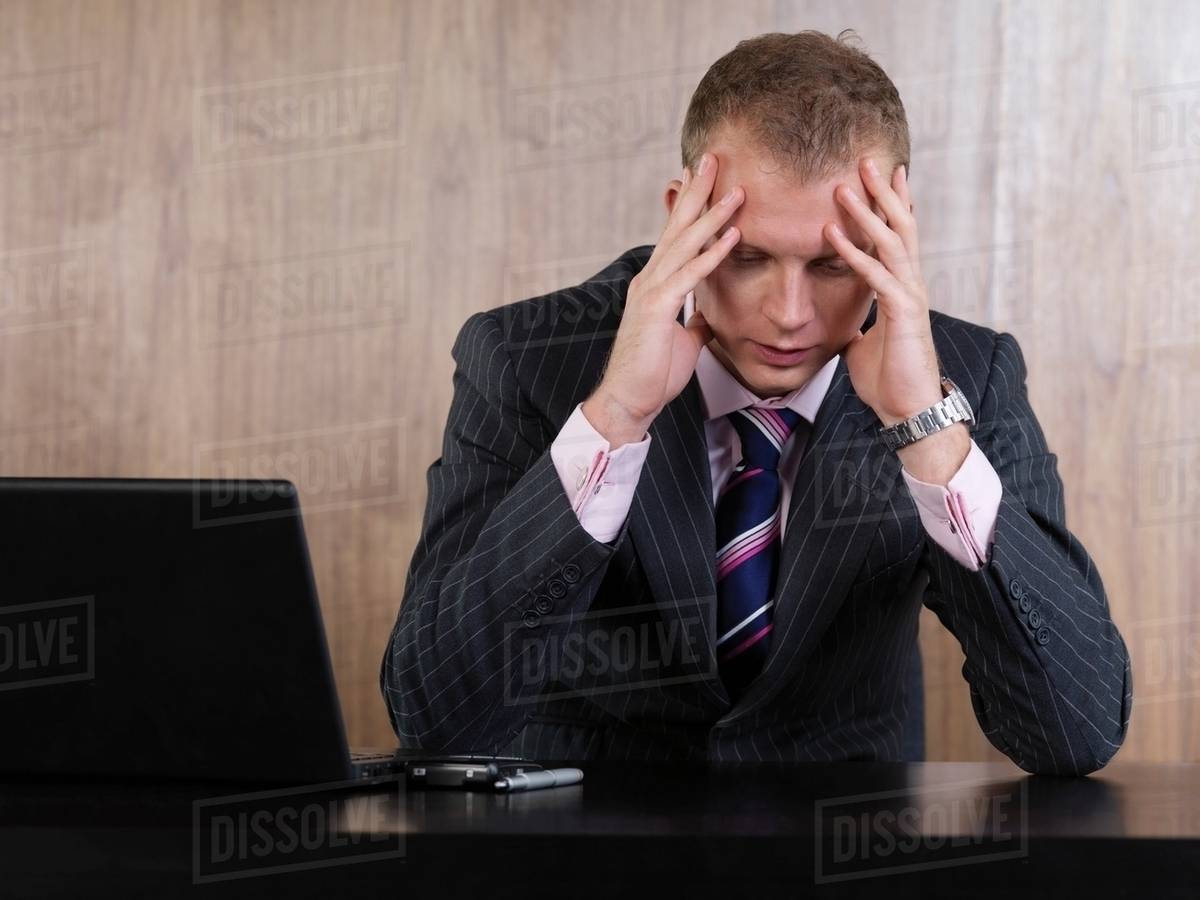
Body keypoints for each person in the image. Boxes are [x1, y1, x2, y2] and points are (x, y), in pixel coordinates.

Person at [380, 29, 1131, 773]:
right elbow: (435, 718)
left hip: (846, 855)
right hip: (587, 851)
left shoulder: (971, 375)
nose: (789, 313)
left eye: (835, 264)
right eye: (746, 257)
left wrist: (927, 435)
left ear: (893, 236)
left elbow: (1077, 730)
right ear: (683, 217)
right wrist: (614, 420)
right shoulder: (523, 359)